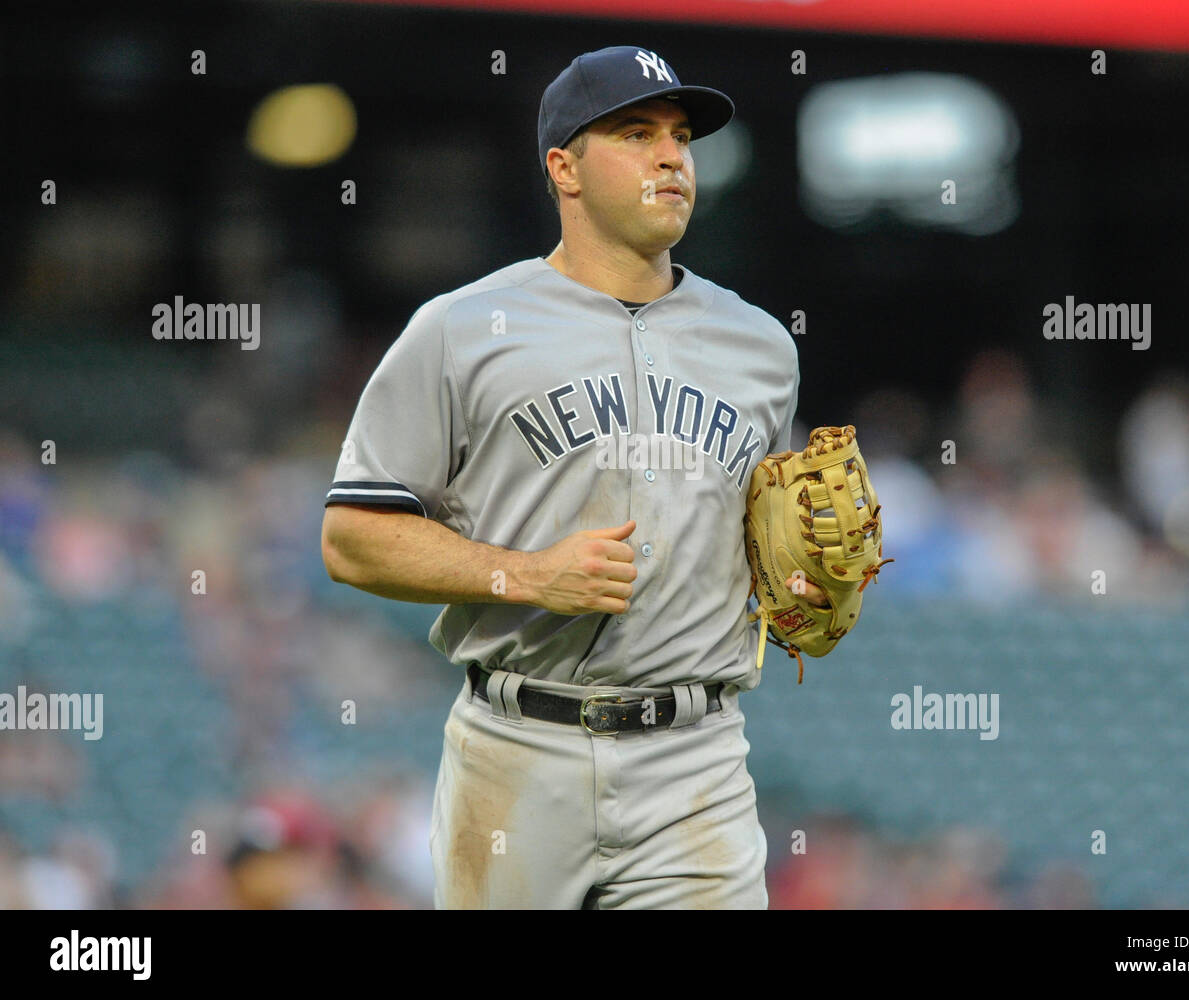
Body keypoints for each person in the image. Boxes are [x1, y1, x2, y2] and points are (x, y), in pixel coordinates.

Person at [320, 45, 818, 909]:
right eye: (635, 133)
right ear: (564, 168)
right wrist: (527, 574)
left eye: (680, 137)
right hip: (519, 750)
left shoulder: (762, 347)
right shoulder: (461, 329)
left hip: (694, 757)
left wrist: (798, 581)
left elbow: (761, 541)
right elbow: (352, 538)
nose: (671, 157)